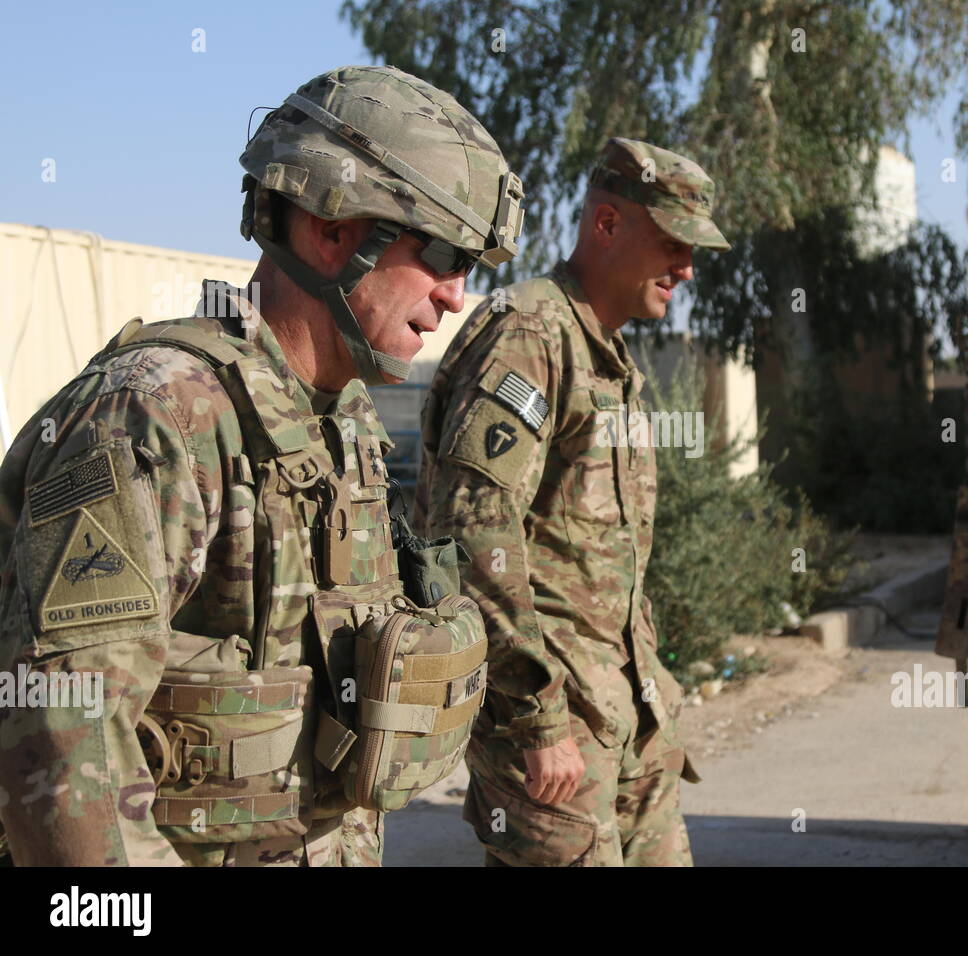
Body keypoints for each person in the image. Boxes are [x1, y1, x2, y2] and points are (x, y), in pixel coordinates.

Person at [0, 64, 522, 866]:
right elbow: (61, 747)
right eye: (444, 253)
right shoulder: (156, 415)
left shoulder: (342, 423)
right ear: (331, 228)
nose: (456, 295)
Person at [414, 137, 729, 866]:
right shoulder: (529, 333)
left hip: (630, 713)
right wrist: (537, 719)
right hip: (556, 730)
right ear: (607, 225)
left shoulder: (607, 356)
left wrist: (654, 698)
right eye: (673, 242)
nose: (687, 268)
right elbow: (472, 533)